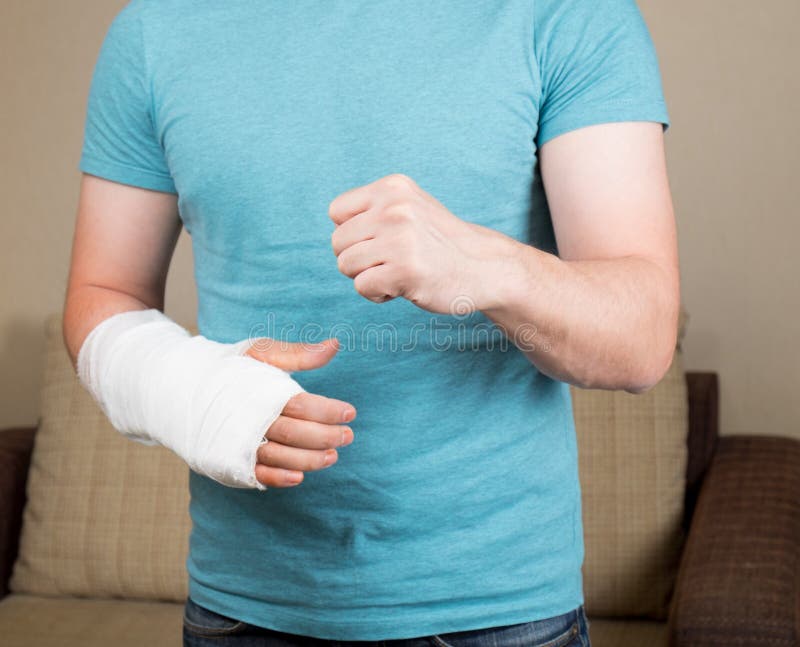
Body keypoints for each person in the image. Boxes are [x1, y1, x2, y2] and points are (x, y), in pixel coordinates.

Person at [63, 0, 679, 645]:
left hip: (497, 611)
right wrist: (196, 387)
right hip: (243, 607)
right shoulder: (155, 28)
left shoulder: (568, 14)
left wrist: (486, 268)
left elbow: (640, 344)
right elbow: (104, 291)